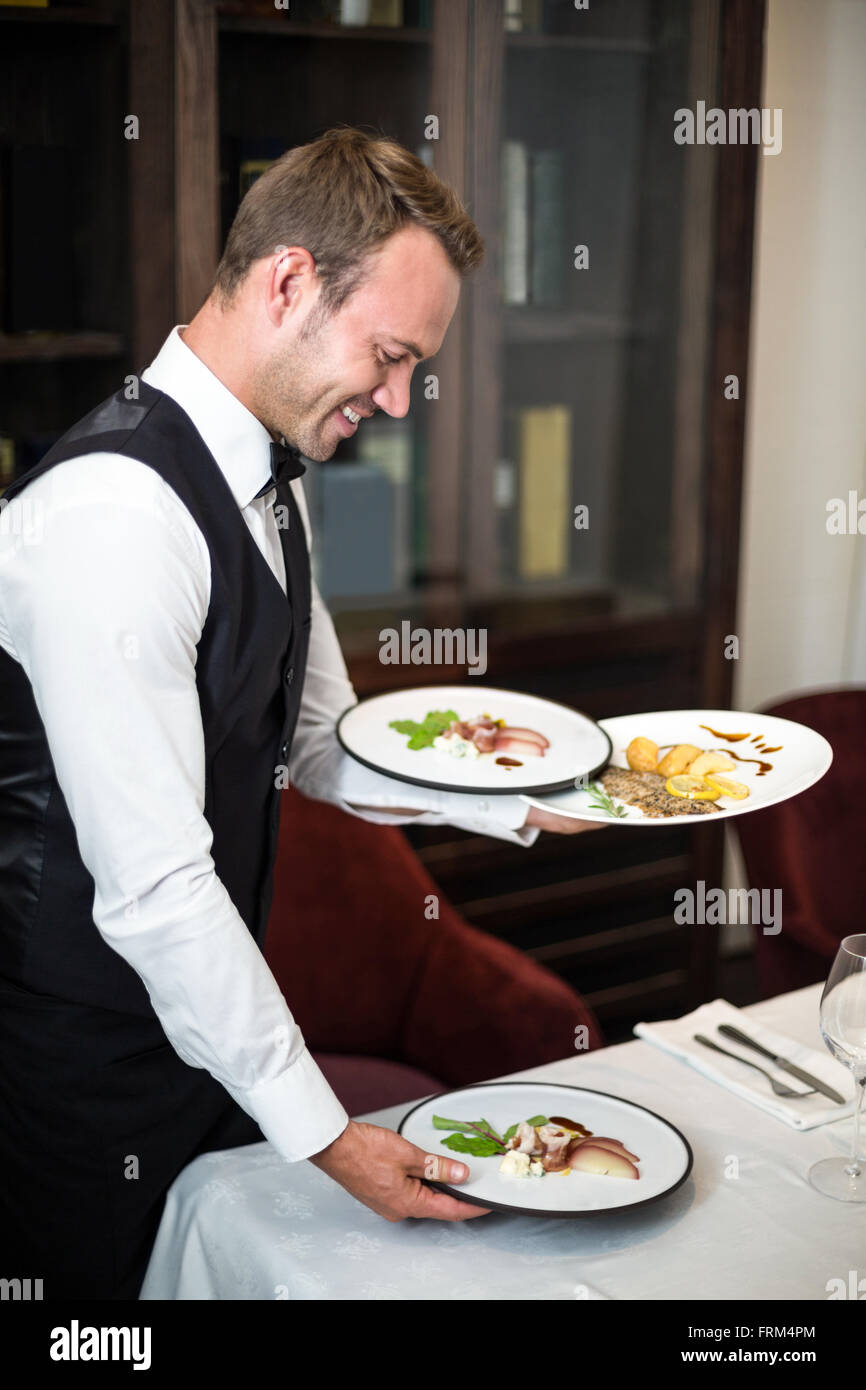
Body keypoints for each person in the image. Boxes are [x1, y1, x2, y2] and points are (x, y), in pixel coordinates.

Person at [0, 127, 598, 1300]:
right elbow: (161, 889)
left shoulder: (271, 479)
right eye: (387, 354)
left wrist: (523, 792)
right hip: (70, 1076)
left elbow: (321, 747)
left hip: (206, 1044)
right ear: (286, 282)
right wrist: (328, 1134)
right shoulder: (109, 520)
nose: (397, 396)